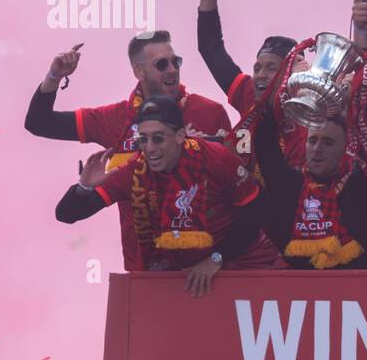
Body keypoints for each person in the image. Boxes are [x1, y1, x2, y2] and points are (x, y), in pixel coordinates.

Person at [25, 32, 232, 270]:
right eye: (161, 64)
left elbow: (236, 190)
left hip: (209, 271)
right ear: (139, 72)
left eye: (176, 61)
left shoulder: (209, 111)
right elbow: (39, 122)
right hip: (146, 275)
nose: (172, 69)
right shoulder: (116, 119)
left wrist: (219, 258)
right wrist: (54, 76)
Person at [54, 96, 277, 294]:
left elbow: (258, 211)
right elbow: (66, 214)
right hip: (181, 278)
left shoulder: (216, 158)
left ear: (180, 136)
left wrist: (215, 260)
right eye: (143, 139)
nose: (149, 148)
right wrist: (84, 186)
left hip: (240, 265)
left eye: (158, 138)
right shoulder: (135, 171)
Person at [191, 0, 306, 168]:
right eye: (257, 68)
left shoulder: (311, 110)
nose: (260, 75)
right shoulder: (249, 93)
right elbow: (210, 47)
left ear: (292, 74)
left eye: (271, 68)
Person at [253, 110, 367, 269]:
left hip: (359, 288)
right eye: (312, 140)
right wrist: (274, 103)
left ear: (346, 148)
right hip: (301, 289)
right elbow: (265, 145)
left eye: (328, 142)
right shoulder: (291, 184)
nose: (317, 149)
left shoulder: (363, 185)